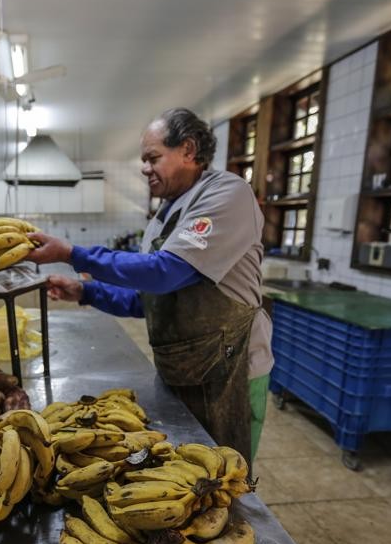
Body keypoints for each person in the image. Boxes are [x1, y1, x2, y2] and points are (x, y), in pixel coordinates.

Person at [27, 108, 273, 465]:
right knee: (183, 478)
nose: (144, 168)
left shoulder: (226, 194)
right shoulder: (164, 216)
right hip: (181, 368)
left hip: (229, 373)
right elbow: (149, 300)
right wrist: (85, 291)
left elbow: (165, 273)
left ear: (188, 150)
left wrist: (72, 253)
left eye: (152, 157)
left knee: (226, 481)